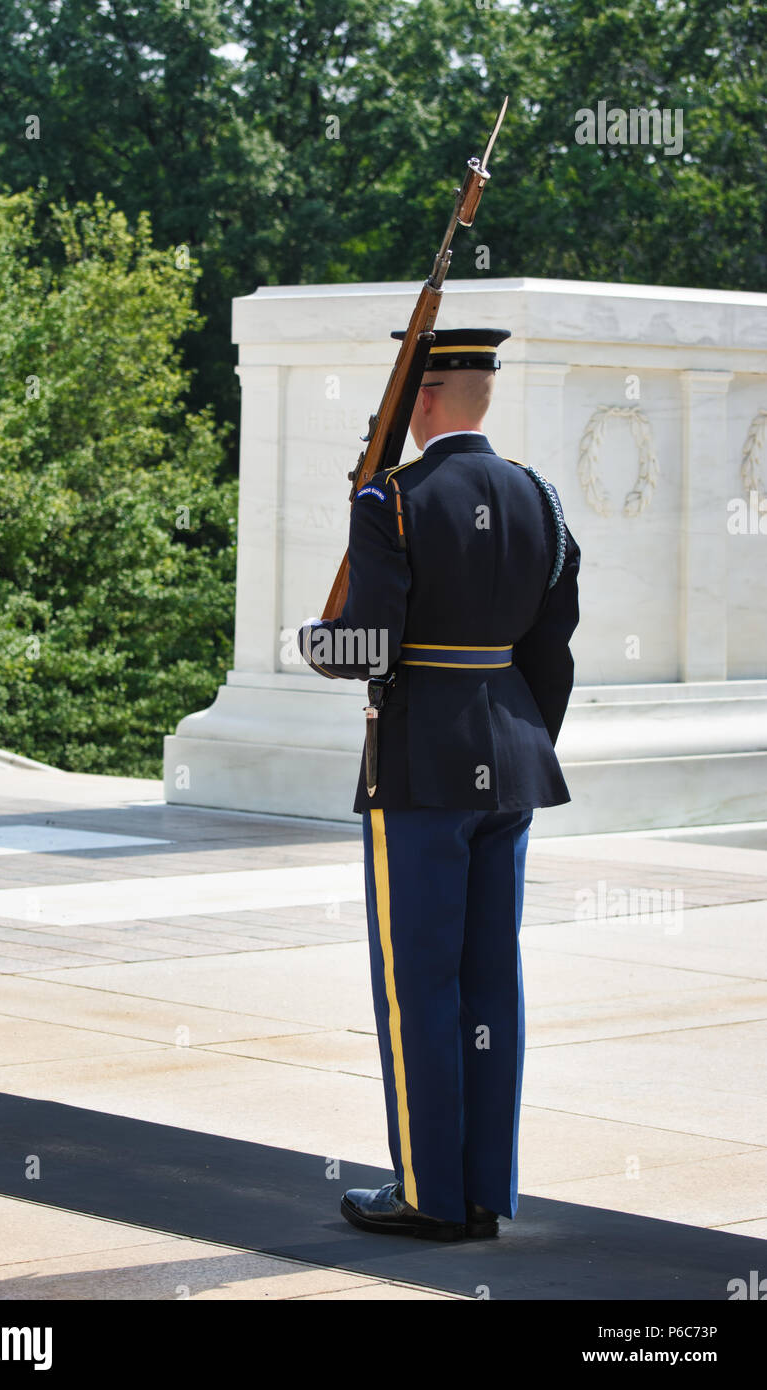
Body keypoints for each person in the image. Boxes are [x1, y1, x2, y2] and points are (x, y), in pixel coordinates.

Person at [299, 328, 580, 1242]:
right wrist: (521, 743)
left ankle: (429, 1193)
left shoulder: (395, 499)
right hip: (513, 759)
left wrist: (315, 643)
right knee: (493, 980)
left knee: (420, 981)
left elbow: (370, 644)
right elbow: (552, 648)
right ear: (480, 396)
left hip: (422, 764)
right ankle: (485, 1190)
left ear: (420, 401)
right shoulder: (540, 498)